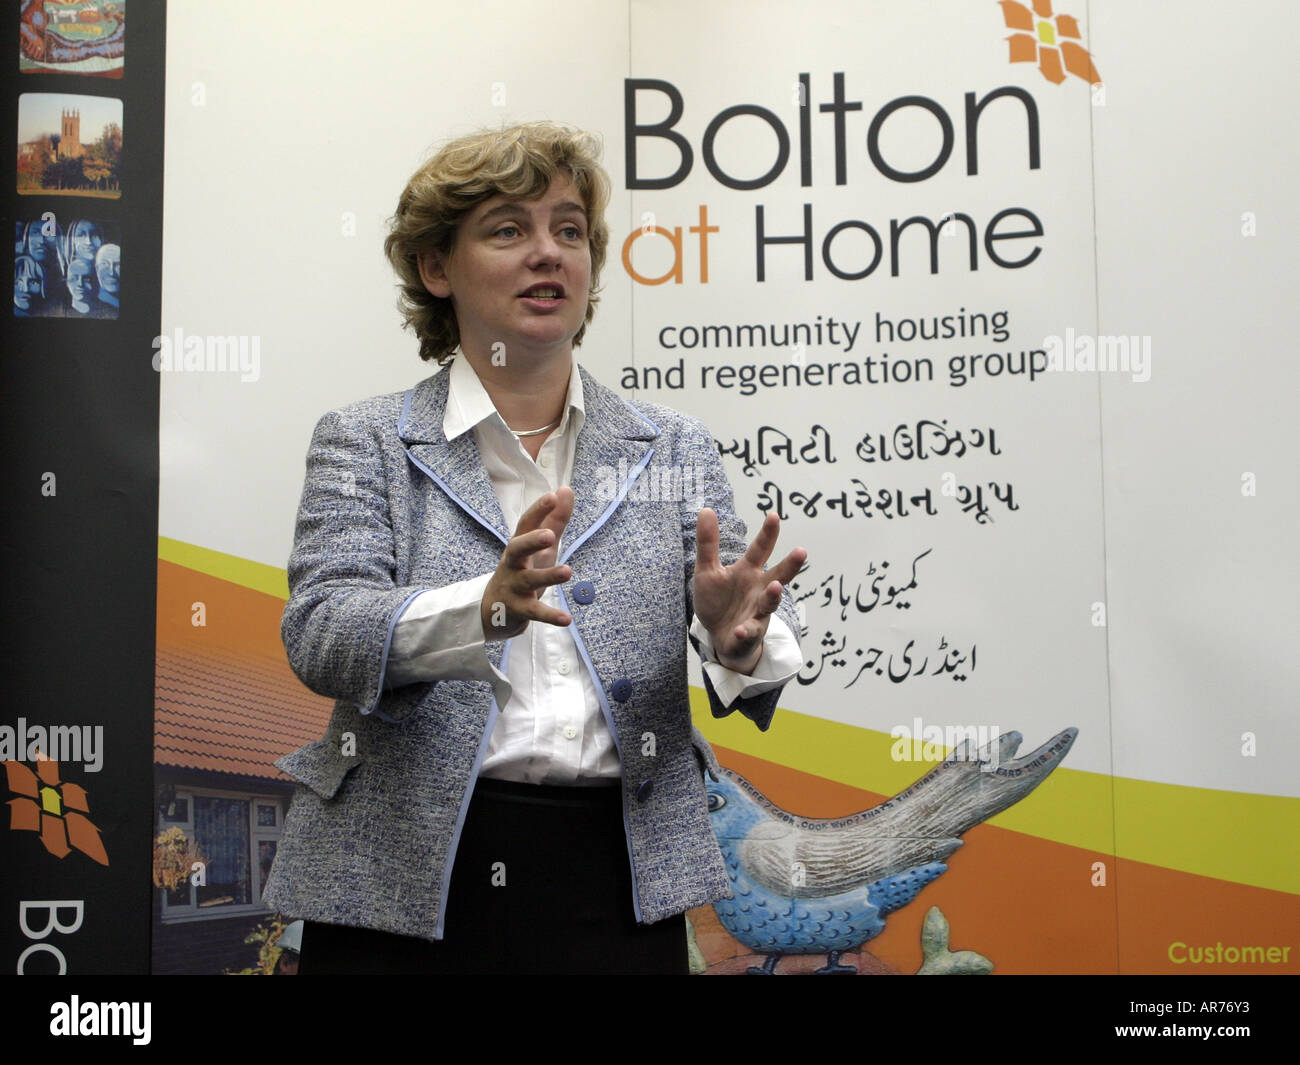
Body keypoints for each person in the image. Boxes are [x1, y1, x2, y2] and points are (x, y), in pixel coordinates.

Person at [263, 121, 806, 974]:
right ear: (437, 268)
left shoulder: (672, 446)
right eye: (508, 229)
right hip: (399, 878)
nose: (548, 253)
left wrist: (737, 639)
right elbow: (323, 632)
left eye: (569, 230)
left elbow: (752, 631)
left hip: (616, 873)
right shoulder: (364, 439)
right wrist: (478, 609)